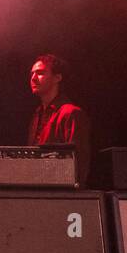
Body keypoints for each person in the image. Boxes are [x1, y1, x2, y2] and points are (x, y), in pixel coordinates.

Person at [27, 53, 91, 185]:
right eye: (32, 73)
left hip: (60, 193)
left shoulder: (71, 113)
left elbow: (79, 164)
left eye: (40, 73)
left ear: (57, 77)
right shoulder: (37, 114)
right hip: (39, 190)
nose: (33, 78)